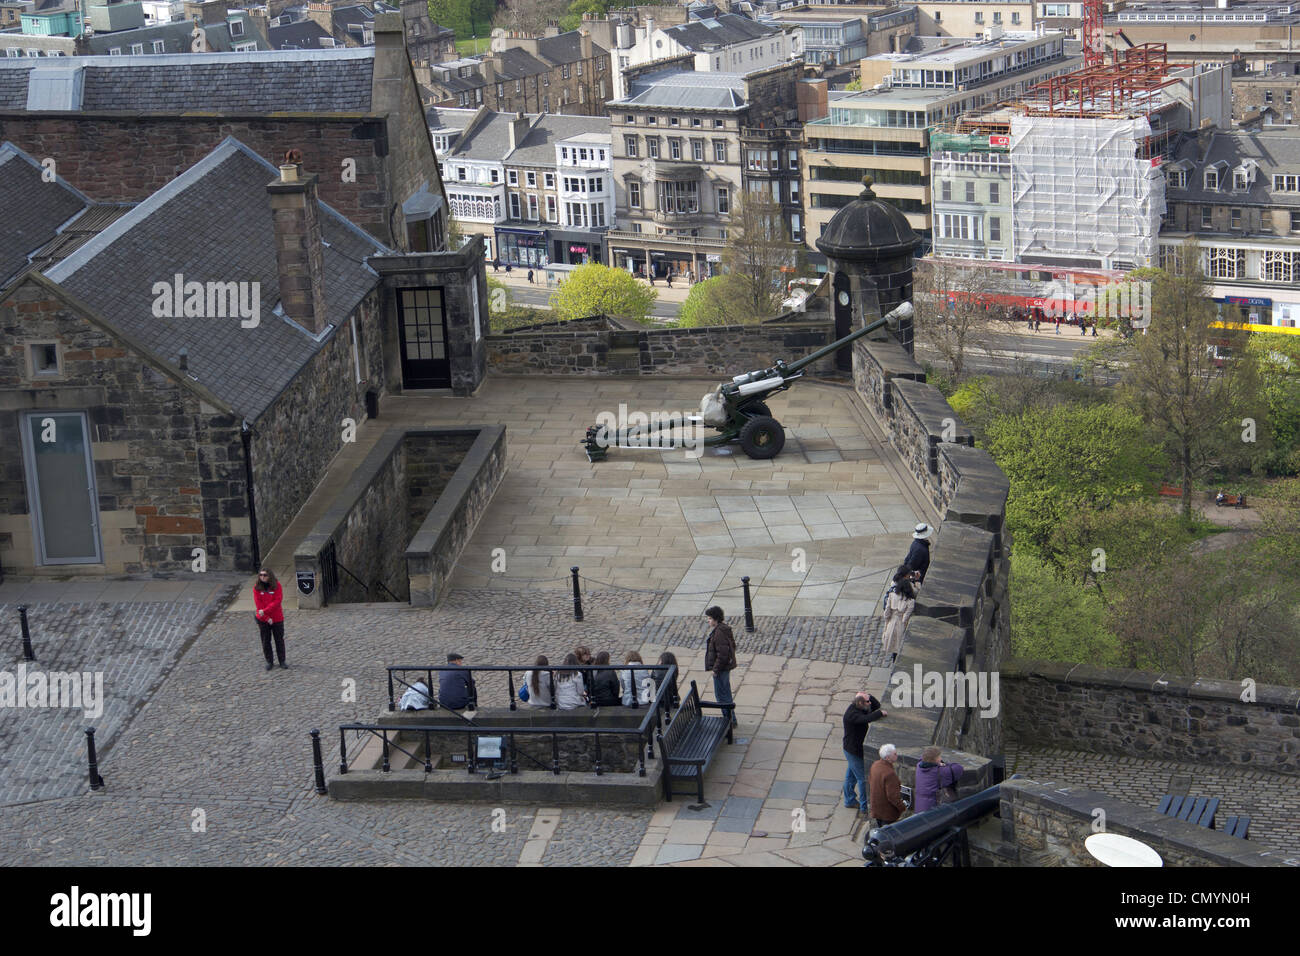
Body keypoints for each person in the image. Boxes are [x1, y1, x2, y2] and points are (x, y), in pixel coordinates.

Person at [842, 692, 885, 810]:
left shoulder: (861, 707)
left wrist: (869, 695)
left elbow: (876, 705)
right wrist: (880, 713)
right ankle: (864, 807)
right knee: (863, 779)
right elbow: (867, 718)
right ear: (860, 703)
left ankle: (849, 800)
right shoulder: (852, 714)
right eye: (867, 701)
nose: (870, 703)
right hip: (853, 751)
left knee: (851, 777)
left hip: (853, 749)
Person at [704, 606, 738, 727]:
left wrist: (715, 669)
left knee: (721, 696)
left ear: (715, 619)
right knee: (726, 693)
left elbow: (722, 654)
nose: (708, 620)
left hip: (721, 670)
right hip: (725, 668)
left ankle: (729, 720)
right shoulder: (724, 629)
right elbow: (732, 646)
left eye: (709, 618)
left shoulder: (718, 633)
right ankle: (731, 719)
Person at [881, 566, 918, 665]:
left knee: (893, 646)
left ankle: (894, 663)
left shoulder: (892, 595)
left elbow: (887, 612)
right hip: (900, 624)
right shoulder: (910, 601)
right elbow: (905, 618)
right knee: (900, 646)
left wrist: (887, 622)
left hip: (891, 622)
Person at [252, 567, 287, 671]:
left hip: (277, 618)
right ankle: (269, 661)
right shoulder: (256, 588)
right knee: (266, 641)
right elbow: (259, 605)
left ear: (269, 576)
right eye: (261, 575)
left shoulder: (277, 585)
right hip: (263, 619)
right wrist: (267, 618)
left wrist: (266, 612)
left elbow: (277, 601)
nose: (262, 577)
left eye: (265, 575)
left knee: (279, 640)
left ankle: (282, 661)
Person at [913, 746, 965, 812]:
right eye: (939, 757)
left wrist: (936, 763)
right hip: (931, 809)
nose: (941, 758)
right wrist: (944, 764)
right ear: (935, 759)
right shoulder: (940, 772)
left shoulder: (919, 765)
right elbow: (959, 768)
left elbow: (922, 759)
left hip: (919, 806)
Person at [869, 743, 908, 826]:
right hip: (887, 812)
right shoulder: (889, 773)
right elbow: (893, 796)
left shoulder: (875, 765)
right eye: (895, 754)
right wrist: (902, 808)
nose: (897, 755)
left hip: (877, 808)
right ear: (887, 758)